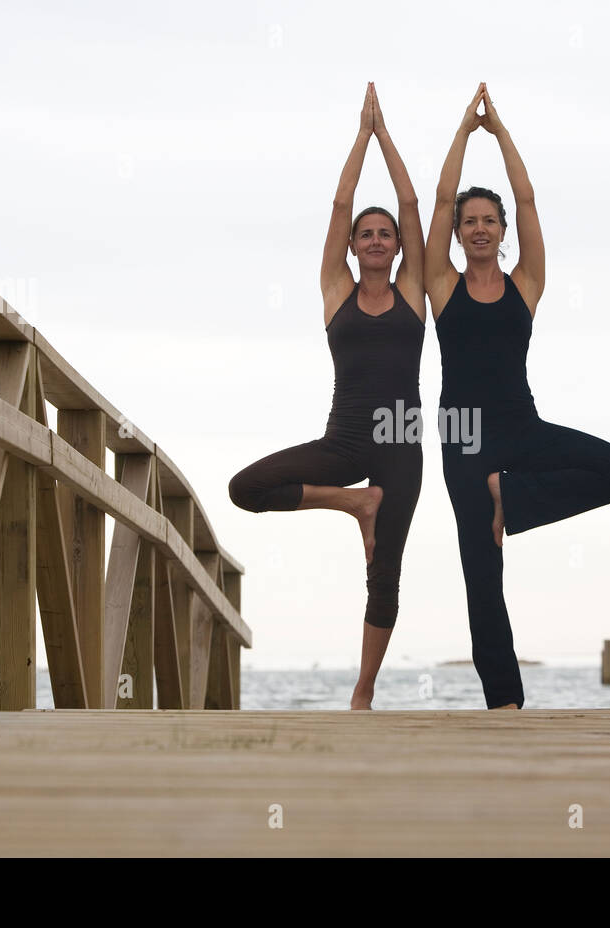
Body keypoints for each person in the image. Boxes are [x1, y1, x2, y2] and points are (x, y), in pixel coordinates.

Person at [425, 83, 610, 710]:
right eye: (468, 222)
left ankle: (510, 499)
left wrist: (501, 134)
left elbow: (526, 198)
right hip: (464, 437)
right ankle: (506, 705)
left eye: (488, 221)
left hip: (522, 429)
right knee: (482, 577)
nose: (477, 228)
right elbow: (442, 197)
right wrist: (464, 134)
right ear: (459, 234)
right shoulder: (440, 285)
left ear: (502, 232)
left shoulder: (527, 282)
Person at [228, 83, 425, 710]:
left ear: (395, 248)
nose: (373, 239)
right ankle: (353, 504)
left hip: (401, 437)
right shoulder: (335, 287)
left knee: (385, 570)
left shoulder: (413, 290)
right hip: (342, 441)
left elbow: (413, 203)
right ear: (352, 246)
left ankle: (363, 691)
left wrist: (384, 137)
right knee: (245, 489)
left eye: (383, 234)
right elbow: (340, 203)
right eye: (364, 233)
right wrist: (358, 137)